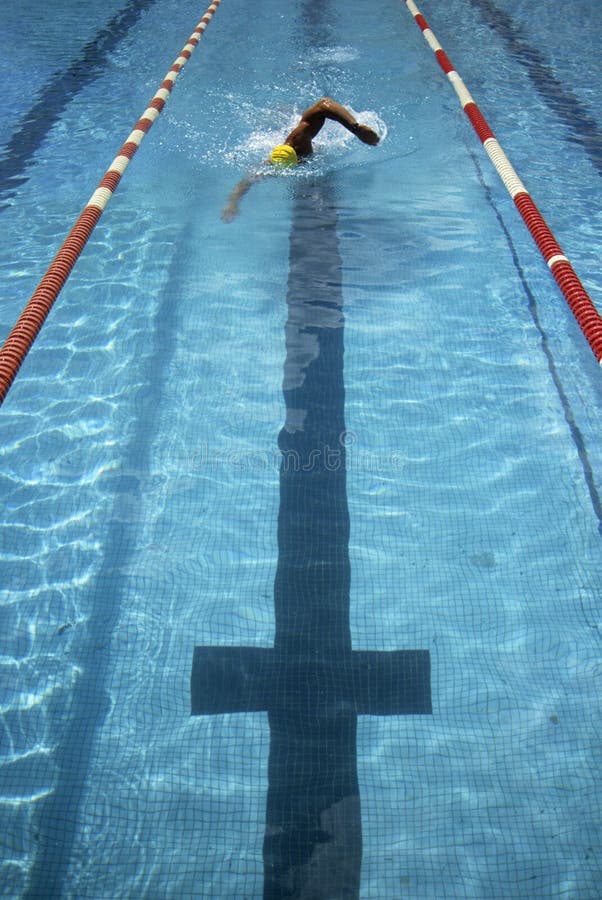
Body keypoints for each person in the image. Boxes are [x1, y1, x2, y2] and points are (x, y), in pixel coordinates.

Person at [221, 97, 380, 222]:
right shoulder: (271, 164)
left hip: (310, 136)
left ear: (297, 161)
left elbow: (324, 104)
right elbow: (246, 181)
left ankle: (283, 110)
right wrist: (232, 204)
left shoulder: (300, 141)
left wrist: (356, 129)